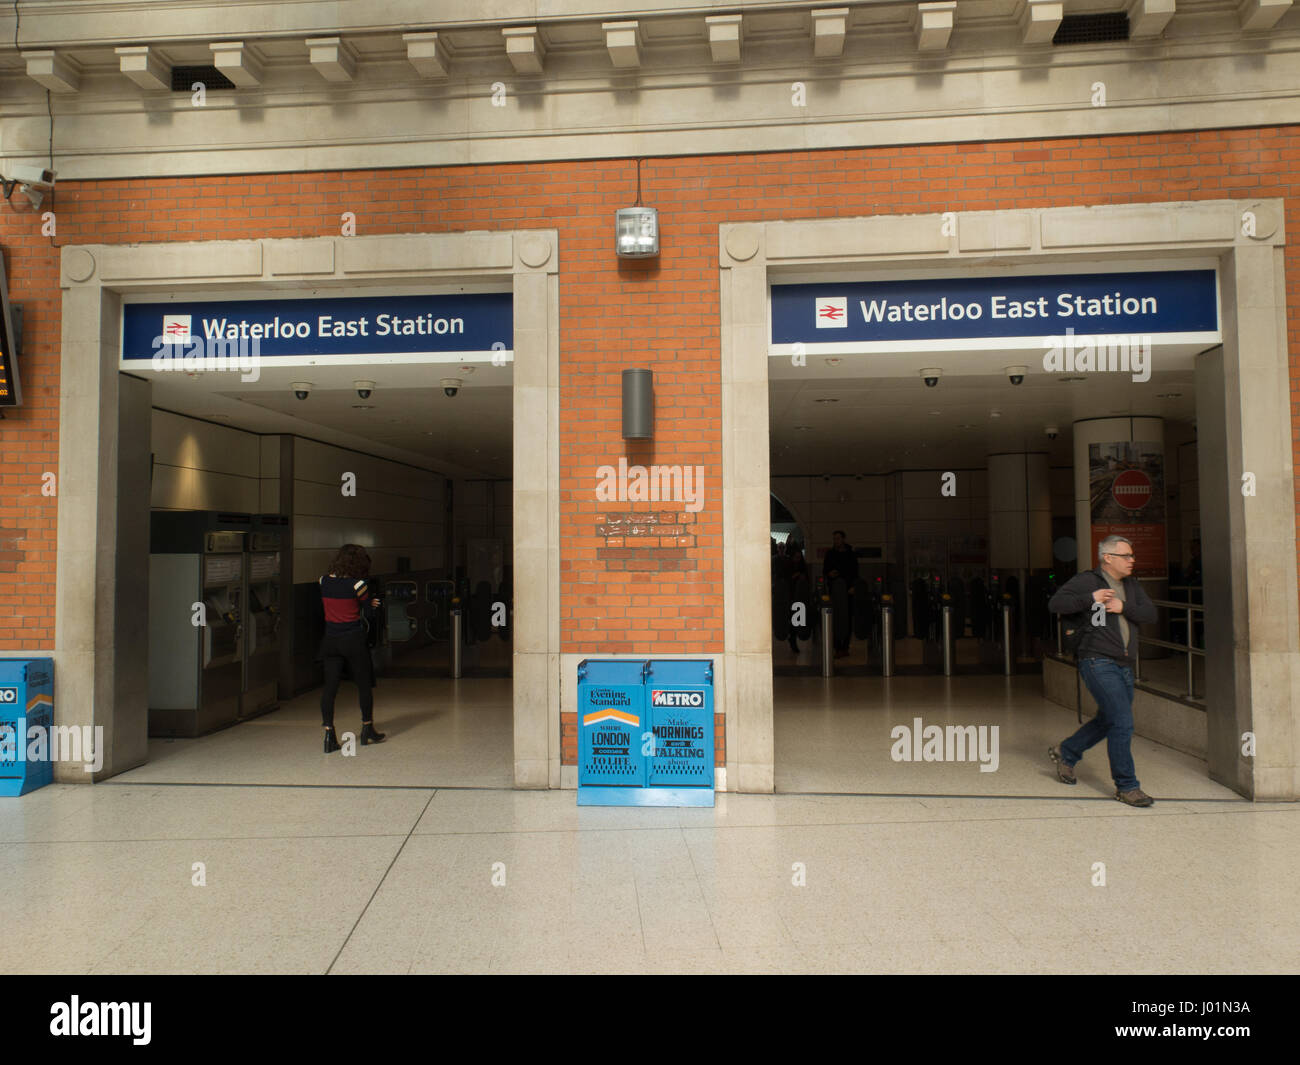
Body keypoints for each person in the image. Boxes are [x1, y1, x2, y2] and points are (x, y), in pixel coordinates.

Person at [1047, 535, 1157, 806]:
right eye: (1126, 556)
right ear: (1108, 558)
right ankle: (1127, 786)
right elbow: (1055, 604)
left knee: (1110, 719)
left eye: (1132, 556)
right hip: (1097, 661)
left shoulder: (1131, 586)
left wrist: (1124, 607)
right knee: (1122, 722)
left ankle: (1067, 751)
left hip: (1124, 664)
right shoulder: (1088, 581)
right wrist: (1090, 598)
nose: (1132, 560)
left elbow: (1150, 614)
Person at [318, 543, 386, 752]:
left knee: (330, 688)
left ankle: (329, 734)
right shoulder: (359, 585)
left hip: (330, 639)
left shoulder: (323, 581)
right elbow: (368, 613)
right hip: (353, 639)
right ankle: (367, 729)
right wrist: (372, 604)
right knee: (364, 684)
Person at [822, 531, 858, 658]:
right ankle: (837, 647)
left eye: (838, 538)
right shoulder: (830, 554)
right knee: (835, 617)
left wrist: (853, 586)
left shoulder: (850, 554)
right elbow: (825, 570)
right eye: (834, 539)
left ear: (843, 539)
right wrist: (829, 574)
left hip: (847, 590)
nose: (836, 541)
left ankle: (845, 646)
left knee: (847, 617)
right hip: (835, 590)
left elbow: (855, 571)